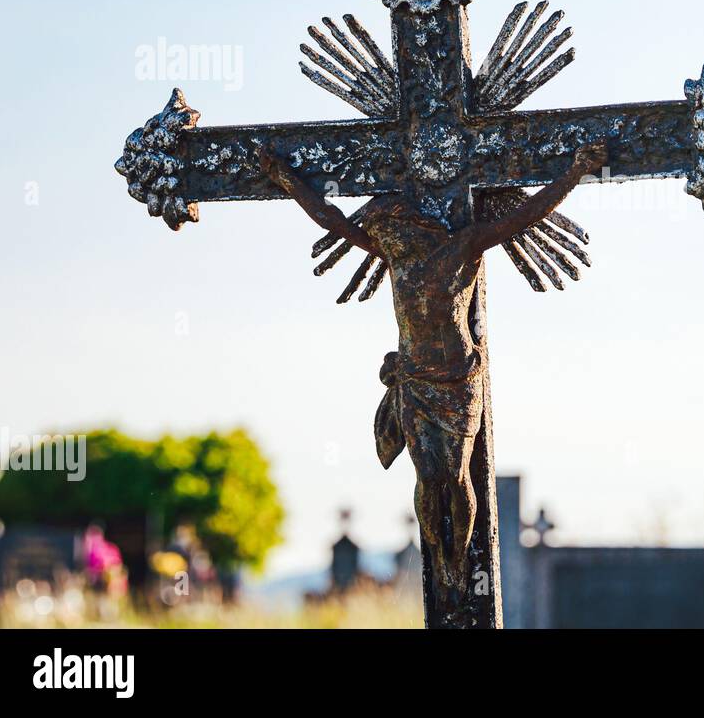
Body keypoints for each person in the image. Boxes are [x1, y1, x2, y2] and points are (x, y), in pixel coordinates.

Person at [258, 141, 607, 626]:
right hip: (417, 378)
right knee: (428, 477)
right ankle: (440, 563)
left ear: (406, 225)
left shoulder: (460, 248)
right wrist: (285, 178)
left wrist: (575, 173)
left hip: (457, 380)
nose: (380, 233)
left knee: (456, 475)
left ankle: (458, 560)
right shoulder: (394, 257)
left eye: (388, 225)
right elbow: (329, 218)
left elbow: (523, 217)